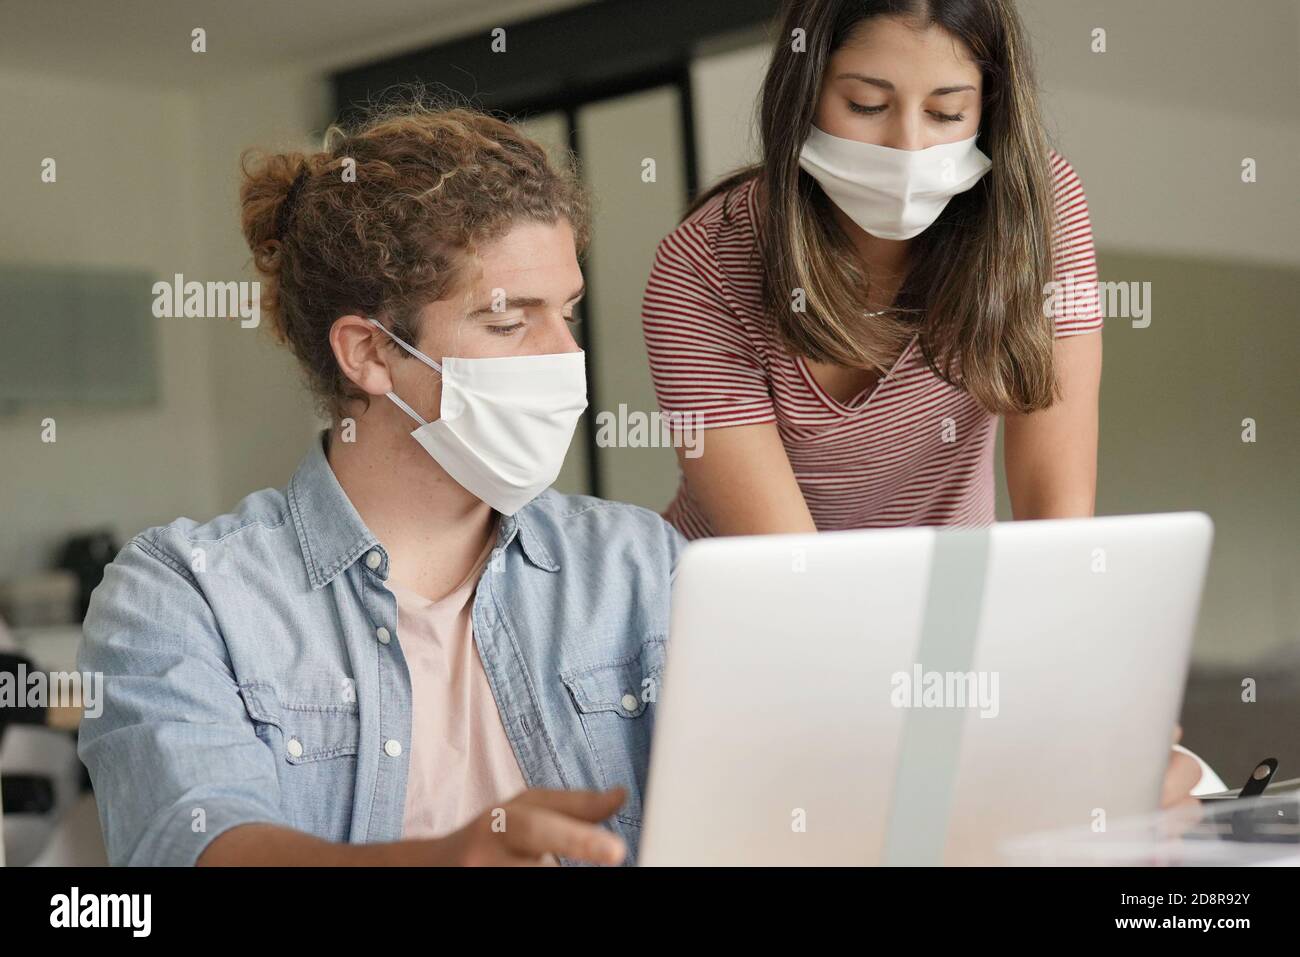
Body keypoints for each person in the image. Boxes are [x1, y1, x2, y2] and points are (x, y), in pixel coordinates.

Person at [77, 103, 681, 866]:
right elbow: (199, 847)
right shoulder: (183, 597)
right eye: (508, 322)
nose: (566, 357)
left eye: (567, 313)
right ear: (368, 353)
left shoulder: (640, 563)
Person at [642, 0, 1104, 539]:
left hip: (948, 589)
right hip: (747, 603)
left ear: (988, 111)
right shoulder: (703, 267)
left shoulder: (1035, 211)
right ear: (805, 93)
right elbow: (790, 569)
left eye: (947, 113)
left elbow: (1059, 522)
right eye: (866, 104)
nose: (907, 148)